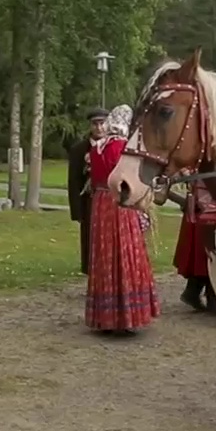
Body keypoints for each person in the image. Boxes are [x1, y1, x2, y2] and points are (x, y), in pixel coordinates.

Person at [85, 105, 158, 335]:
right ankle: (126, 314)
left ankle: (104, 314)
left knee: (105, 255)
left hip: (100, 203)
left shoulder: (97, 148)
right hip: (119, 203)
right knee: (125, 252)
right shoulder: (120, 147)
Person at [68, 109, 109, 276]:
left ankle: (109, 271)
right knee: (90, 239)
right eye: (95, 124)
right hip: (89, 201)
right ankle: (91, 272)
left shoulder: (114, 146)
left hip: (109, 200)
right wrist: (77, 211)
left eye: (102, 123)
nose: (99, 128)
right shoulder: (79, 150)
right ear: (90, 126)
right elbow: (74, 180)